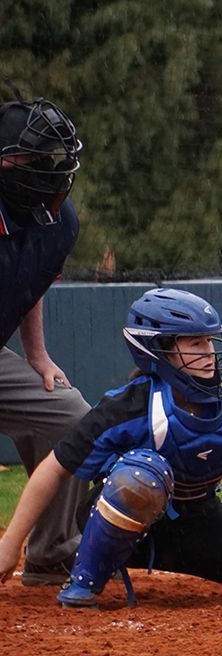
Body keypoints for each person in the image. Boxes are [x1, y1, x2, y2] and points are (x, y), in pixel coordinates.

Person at [0, 287, 222, 608]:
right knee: (142, 475)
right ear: (159, 350)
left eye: (210, 341)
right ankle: (86, 580)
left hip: (199, 519)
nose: (209, 353)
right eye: (194, 344)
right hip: (125, 524)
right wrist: (10, 544)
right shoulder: (129, 407)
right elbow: (54, 467)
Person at [0, 91, 95, 587]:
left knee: (71, 417)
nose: (49, 168)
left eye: (54, 156)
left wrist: (36, 355)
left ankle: (51, 551)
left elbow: (32, 280)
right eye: (35, 156)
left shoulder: (59, 218)